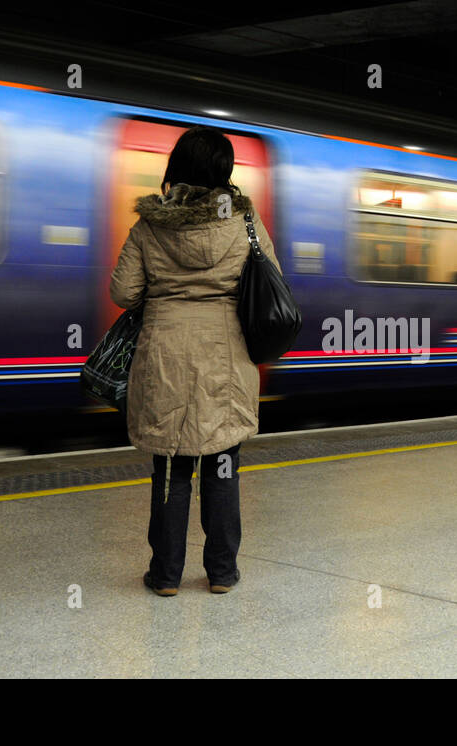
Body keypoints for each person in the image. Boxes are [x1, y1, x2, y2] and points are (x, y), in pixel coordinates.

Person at [109, 126, 281, 597]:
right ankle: (222, 573)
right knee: (222, 464)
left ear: (176, 169)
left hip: (165, 353)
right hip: (227, 356)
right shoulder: (244, 223)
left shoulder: (150, 225)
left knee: (171, 467)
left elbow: (122, 292)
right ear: (224, 172)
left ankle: (165, 576)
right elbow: (273, 283)